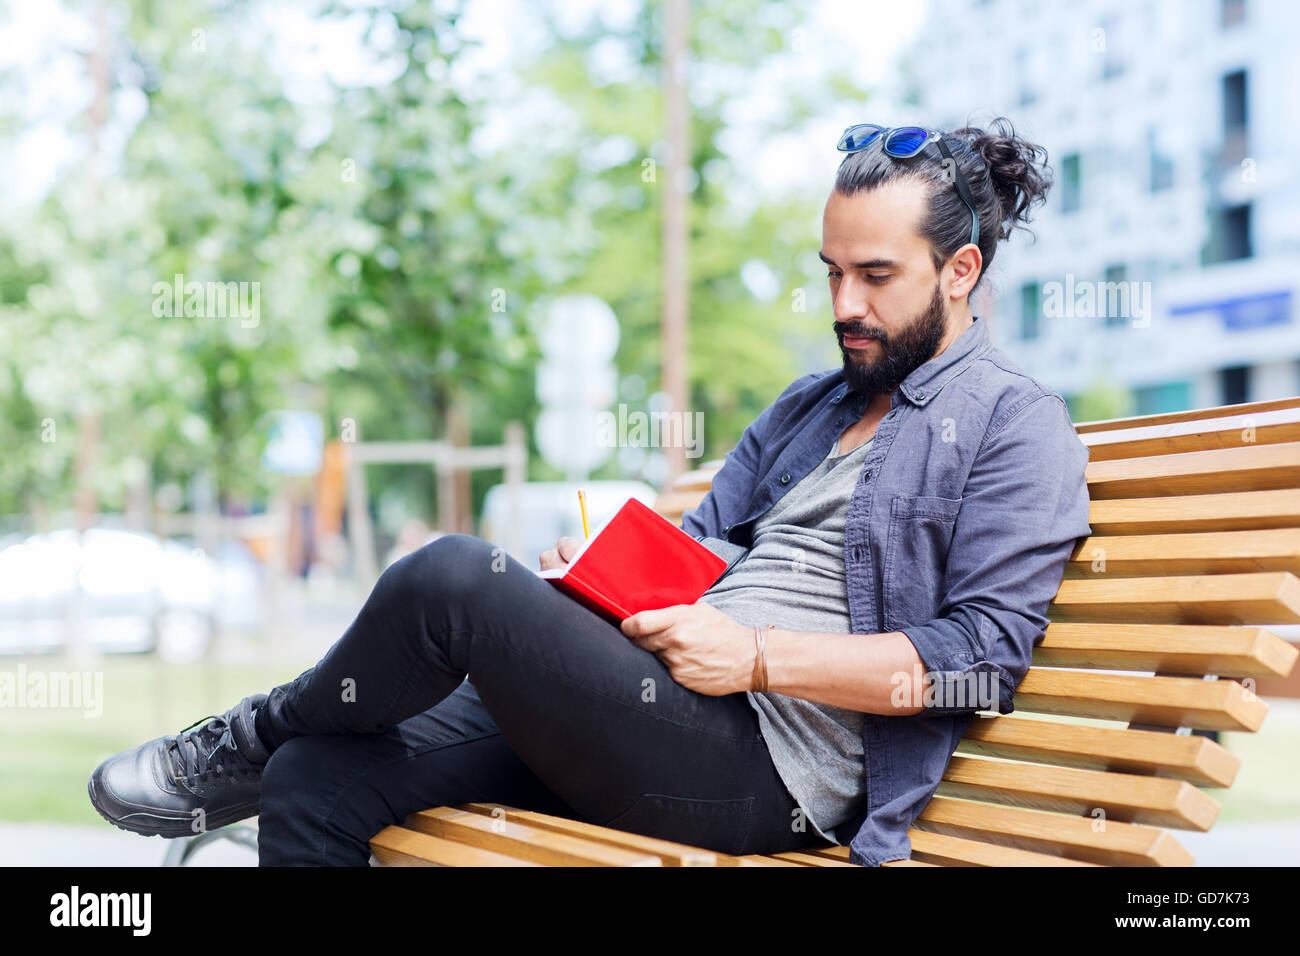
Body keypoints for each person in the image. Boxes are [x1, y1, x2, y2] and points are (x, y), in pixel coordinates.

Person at [87, 116, 1092, 866]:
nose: (843, 305)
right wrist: (604, 591)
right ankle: (269, 749)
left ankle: (231, 744)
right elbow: (696, 543)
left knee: (453, 575)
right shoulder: (810, 405)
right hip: (648, 714)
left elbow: (979, 661)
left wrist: (753, 655)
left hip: (766, 773)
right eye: (829, 272)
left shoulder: (1014, 425)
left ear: (960, 270)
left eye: (875, 275)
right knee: (317, 777)